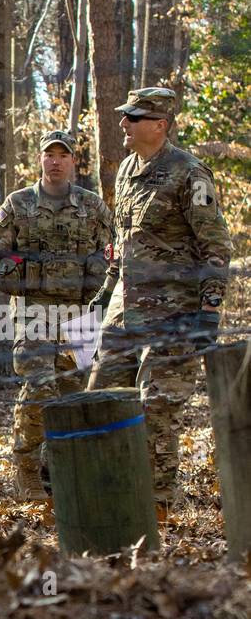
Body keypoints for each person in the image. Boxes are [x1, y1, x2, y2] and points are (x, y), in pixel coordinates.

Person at [87, 87, 234, 523]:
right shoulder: (128, 169)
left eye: (133, 118)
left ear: (160, 125)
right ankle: (109, 499)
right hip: (124, 313)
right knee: (102, 402)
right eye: (125, 116)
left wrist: (209, 310)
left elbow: (215, 246)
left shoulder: (190, 174)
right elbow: (122, 243)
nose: (123, 124)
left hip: (176, 316)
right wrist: (103, 296)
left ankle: (157, 509)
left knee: (157, 412)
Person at [0, 130, 113, 500]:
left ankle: (58, 470)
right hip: (33, 311)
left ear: (73, 162)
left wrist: (113, 311)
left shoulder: (93, 207)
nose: (55, 161)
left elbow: (114, 262)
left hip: (80, 314)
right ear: (40, 159)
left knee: (72, 392)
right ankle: (27, 468)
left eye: (62, 155)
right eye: (48, 154)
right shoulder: (17, 205)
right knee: (39, 386)